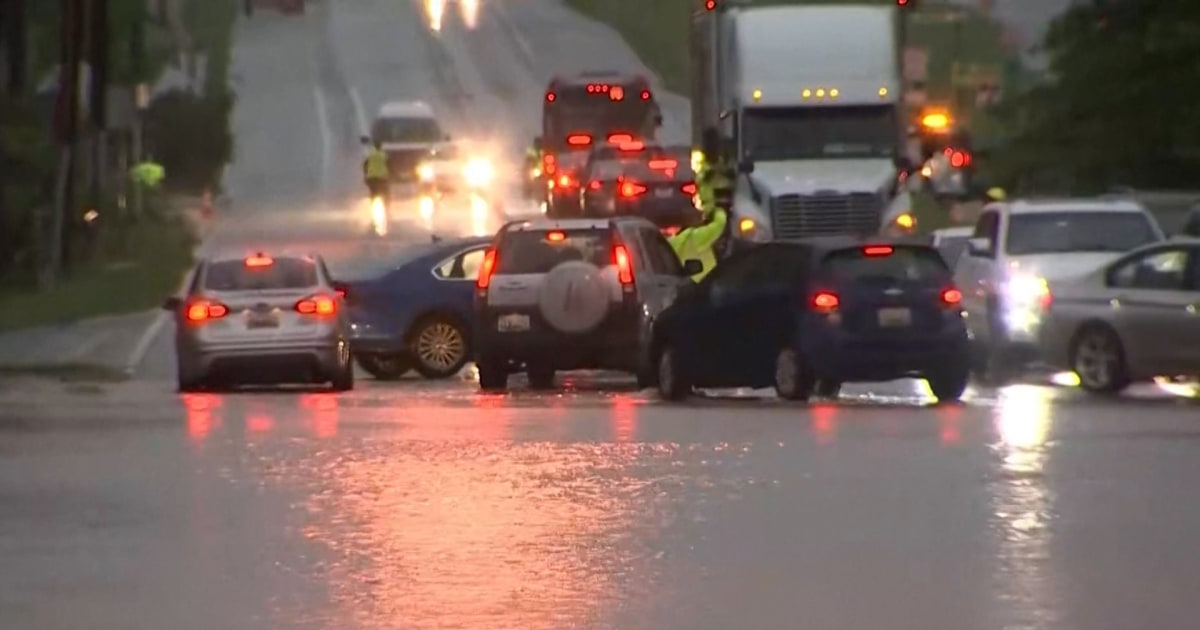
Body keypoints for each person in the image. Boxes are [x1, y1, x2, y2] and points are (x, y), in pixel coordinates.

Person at [668, 202, 729, 283]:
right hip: (705, 280)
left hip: (686, 283)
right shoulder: (696, 236)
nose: (702, 217)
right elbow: (720, 223)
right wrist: (717, 209)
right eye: (699, 215)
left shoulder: (673, 241)